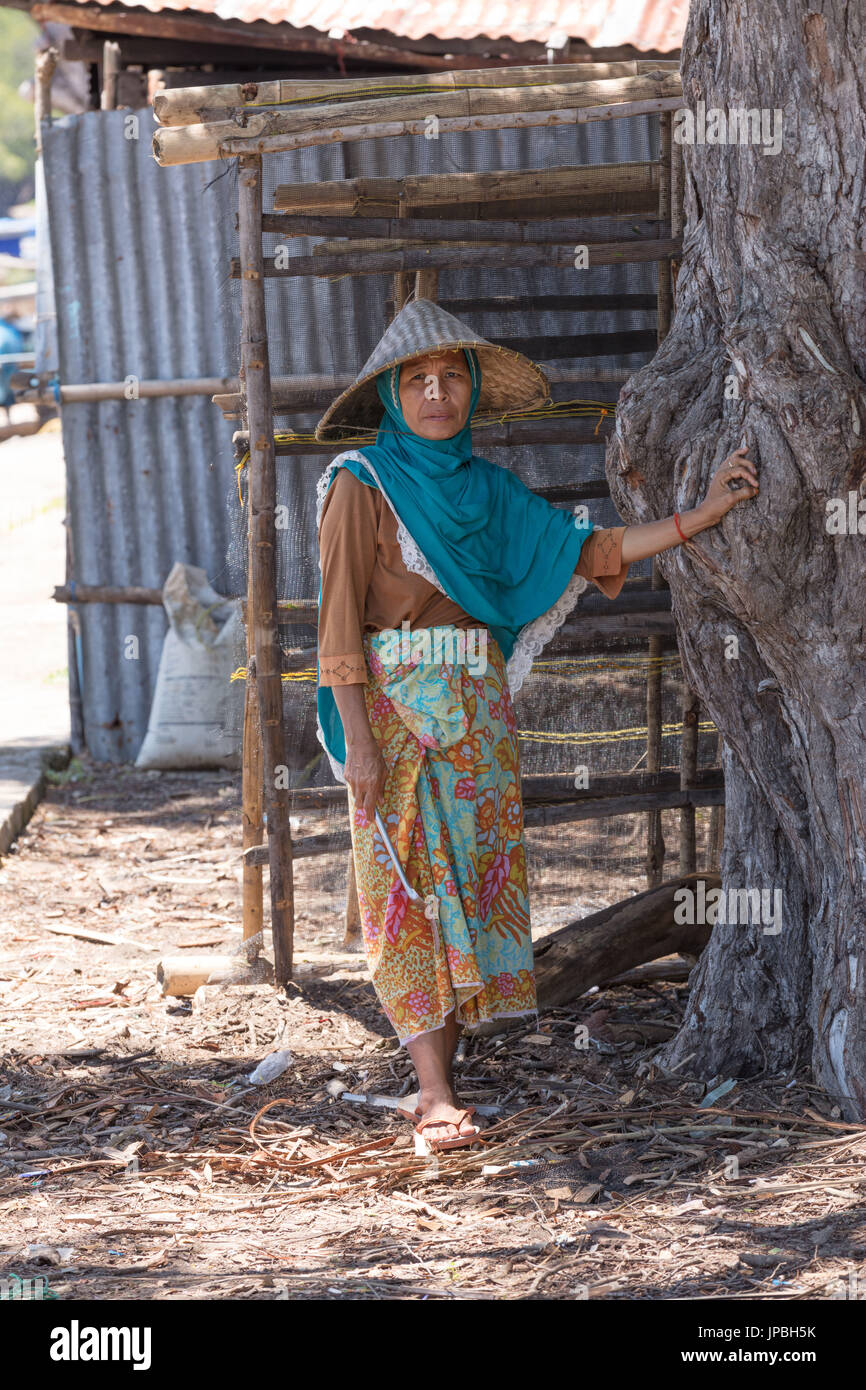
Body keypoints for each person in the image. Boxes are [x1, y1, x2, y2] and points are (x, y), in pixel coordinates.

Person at [314, 299, 758, 1151]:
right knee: (406, 894)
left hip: (479, 723)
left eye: (452, 378)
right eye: (418, 381)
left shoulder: (493, 494)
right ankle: (434, 1091)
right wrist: (358, 742)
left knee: (470, 894)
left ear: (473, 392)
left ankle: (445, 1080)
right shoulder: (359, 487)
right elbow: (336, 626)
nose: (437, 392)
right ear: (392, 398)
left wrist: (699, 516)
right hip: (394, 721)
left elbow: (586, 552)